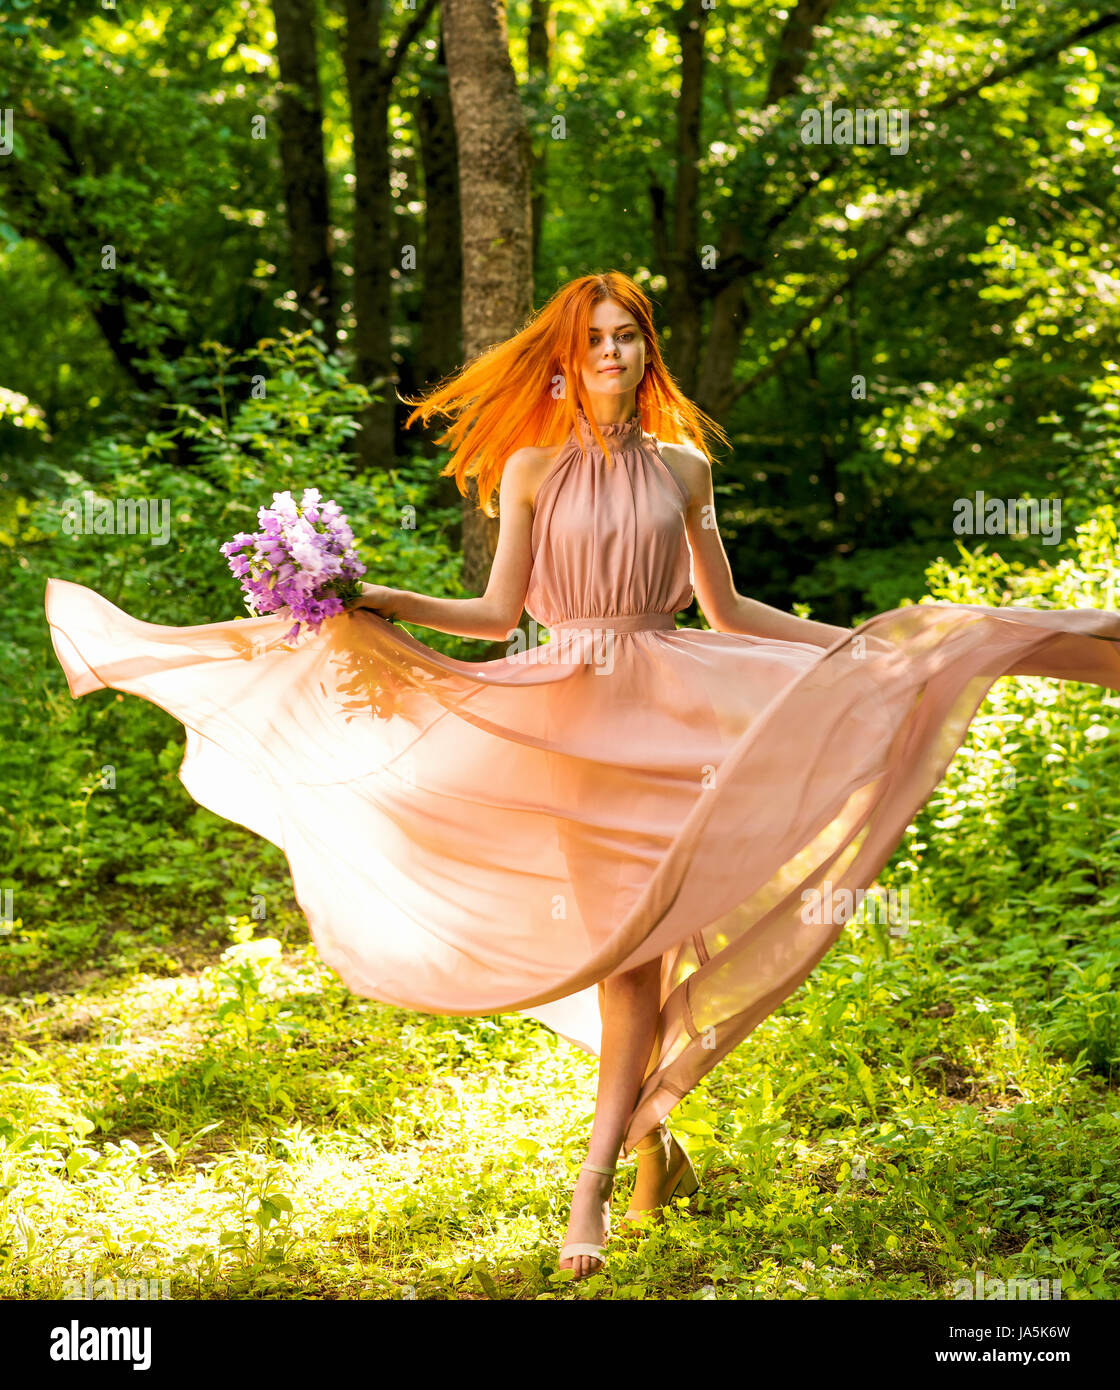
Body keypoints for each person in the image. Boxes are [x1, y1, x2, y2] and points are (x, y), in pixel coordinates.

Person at [45, 271, 1120, 1284]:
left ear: (647, 350)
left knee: (636, 953)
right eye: (593, 339)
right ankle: (650, 1153)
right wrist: (378, 601)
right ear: (564, 359)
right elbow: (497, 617)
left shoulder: (684, 468)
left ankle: (592, 1189)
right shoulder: (530, 468)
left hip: (672, 718)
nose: (612, 351)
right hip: (565, 716)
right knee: (620, 955)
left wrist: (875, 652)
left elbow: (729, 613)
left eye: (628, 336)